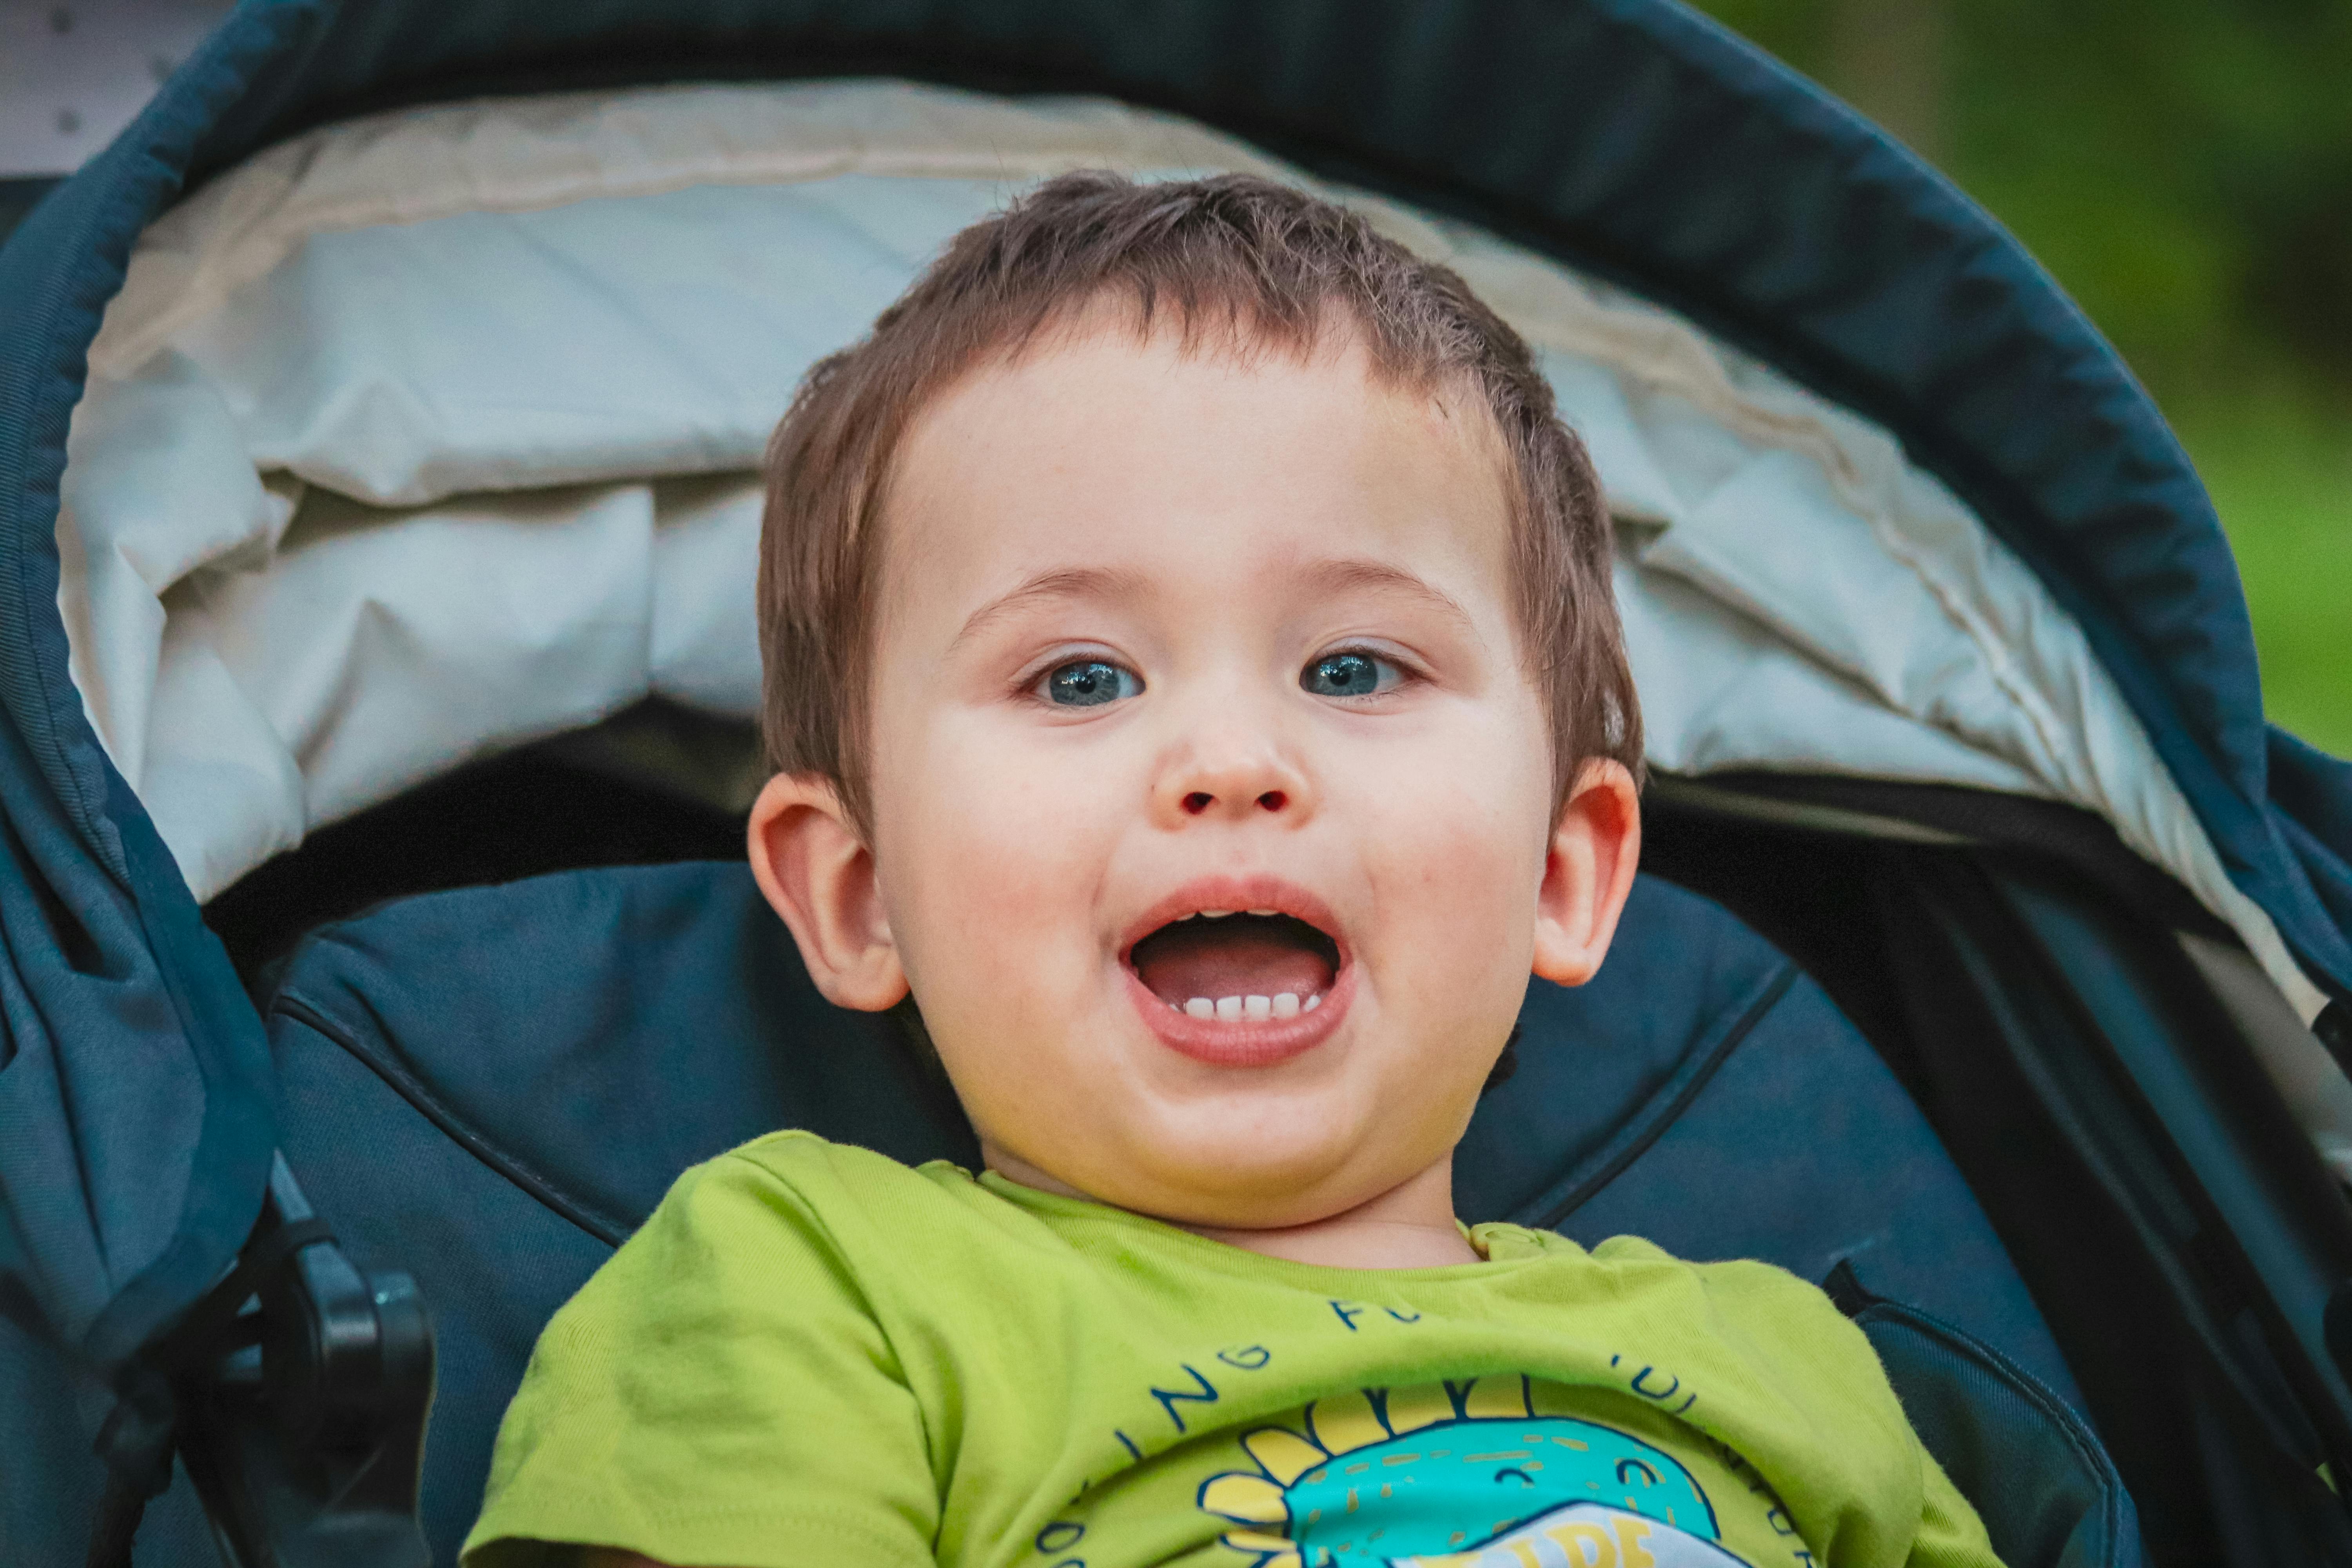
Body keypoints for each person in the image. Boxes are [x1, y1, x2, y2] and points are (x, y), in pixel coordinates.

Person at [460, 171, 2000, 1568]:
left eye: (1352, 666)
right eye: (1078, 678)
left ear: (1562, 868)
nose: (1232, 758)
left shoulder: (1784, 1355)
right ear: (859, 893)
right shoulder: (814, 1290)